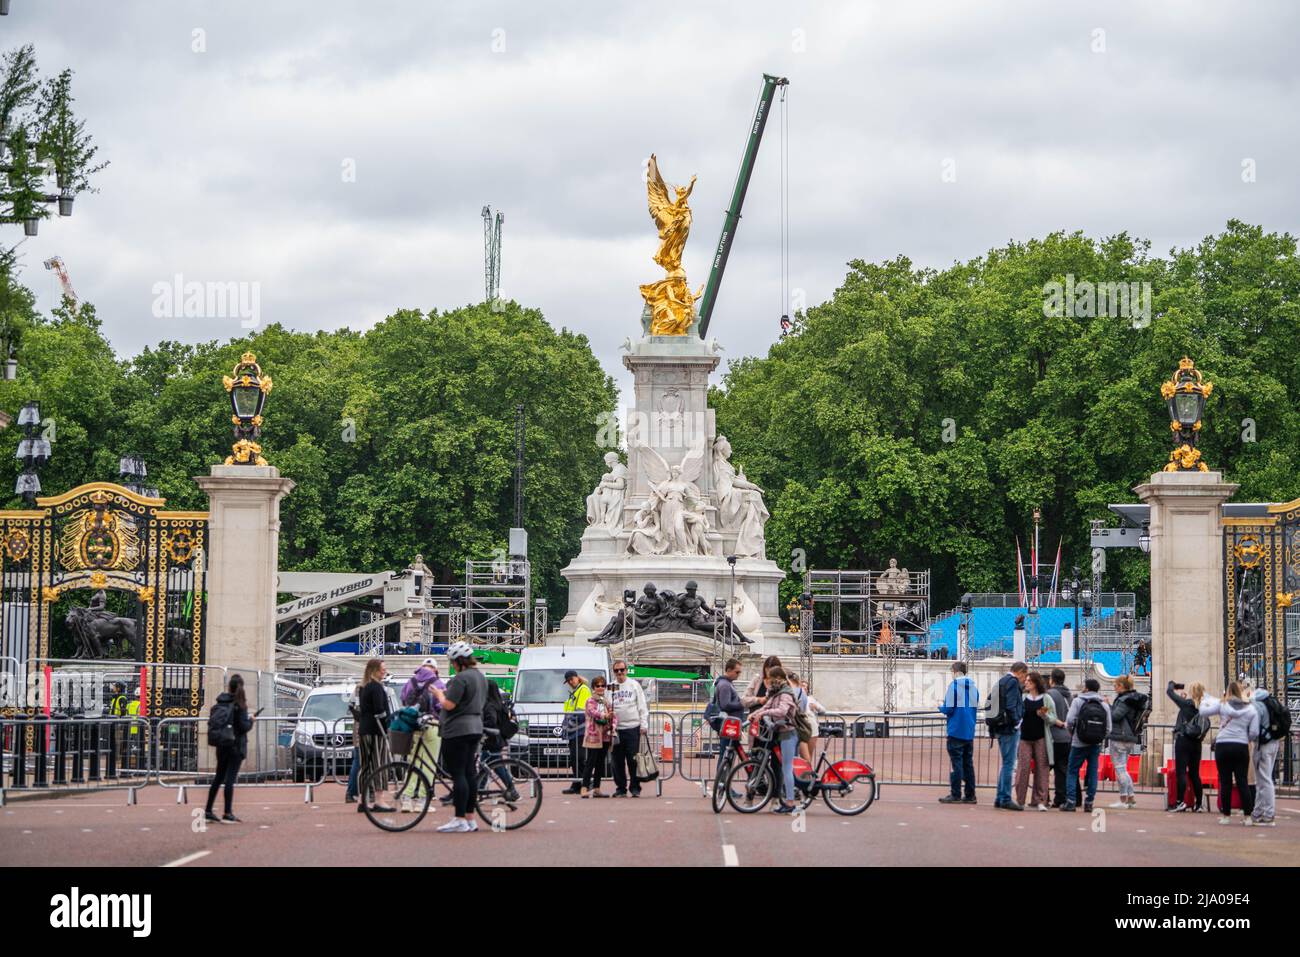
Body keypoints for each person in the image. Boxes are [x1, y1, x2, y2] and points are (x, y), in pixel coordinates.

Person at [430, 641, 488, 832]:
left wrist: (439, 694)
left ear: (459, 661)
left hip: (457, 729)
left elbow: (449, 705)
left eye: (453, 662)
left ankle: (459, 818)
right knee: (470, 773)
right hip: (475, 727)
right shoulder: (480, 677)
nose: (453, 666)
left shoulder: (461, 678)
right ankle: (470, 817)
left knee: (459, 774)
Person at [1199, 681, 1259, 825]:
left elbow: (1203, 712)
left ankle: (1226, 815)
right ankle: (1247, 816)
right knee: (1242, 781)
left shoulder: (1223, 705)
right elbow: (1254, 732)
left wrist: (1202, 702)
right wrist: (1244, 738)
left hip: (1223, 744)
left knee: (1225, 781)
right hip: (1241, 746)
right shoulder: (1251, 709)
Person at [748, 665, 800, 814]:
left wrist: (764, 714)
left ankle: (790, 802)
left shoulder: (785, 694)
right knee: (785, 766)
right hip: (781, 732)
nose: (768, 682)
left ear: (777, 679)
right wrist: (755, 714)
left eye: (770, 679)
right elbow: (767, 706)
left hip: (789, 733)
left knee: (787, 768)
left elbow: (782, 711)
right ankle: (787, 799)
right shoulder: (777, 693)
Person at [205, 673, 254, 824]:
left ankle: (208, 810)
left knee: (219, 777)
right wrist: (251, 720)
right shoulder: (240, 705)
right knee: (230, 780)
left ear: (229, 687)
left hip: (222, 744)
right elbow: (243, 727)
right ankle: (227, 812)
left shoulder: (220, 702)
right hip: (235, 745)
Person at [399, 660, 444, 813]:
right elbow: (441, 705)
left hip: (413, 725)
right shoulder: (437, 683)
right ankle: (422, 801)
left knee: (413, 762)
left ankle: (406, 798)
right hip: (431, 724)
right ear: (435, 670)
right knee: (429, 764)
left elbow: (404, 699)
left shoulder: (410, 682)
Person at [1061, 678, 1111, 813]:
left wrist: (1073, 734)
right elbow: (1108, 728)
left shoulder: (1078, 701)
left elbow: (1069, 721)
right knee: (1093, 771)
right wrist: (1099, 737)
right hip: (1095, 743)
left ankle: (1070, 801)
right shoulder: (1104, 705)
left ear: (1087, 688)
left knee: (1072, 771)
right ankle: (1089, 802)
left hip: (1078, 742)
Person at [938, 661, 979, 805]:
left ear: (955, 672)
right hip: (969, 729)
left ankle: (955, 793)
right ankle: (970, 794)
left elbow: (949, 709)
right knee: (968, 764)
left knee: (957, 764)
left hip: (956, 729)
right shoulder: (974, 688)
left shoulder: (954, 686)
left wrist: (940, 707)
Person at [355, 658, 393, 814]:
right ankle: (379, 799)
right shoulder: (377, 687)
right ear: (375, 670)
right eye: (382, 669)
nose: (384, 671)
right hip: (376, 730)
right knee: (379, 764)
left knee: (365, 766)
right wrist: (388, 722)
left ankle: (362, 799)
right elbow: (380, 710)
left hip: (364, 729)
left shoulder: (363, 687)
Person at [1014, 672, 1056, 811]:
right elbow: (1018, 715)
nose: (1026, 683)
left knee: (1042, 769)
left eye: (1029, 681)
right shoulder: (1023, 697)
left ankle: (1040, 800)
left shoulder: (1046, 698)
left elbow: (1053, 718)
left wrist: (1044, 716)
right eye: (1026, 681)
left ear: (1036, 683)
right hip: (1025, 737)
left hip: (1040, 737)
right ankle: (1020, 800)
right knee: (1023, 769)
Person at [1107, 675, 1148, 809]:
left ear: (1121, 686)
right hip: (1129, 736)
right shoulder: (1134, 699)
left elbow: (1115, 716)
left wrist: (1107, 706)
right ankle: (1130, 798)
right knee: (1123, 769)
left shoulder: (1124, 700)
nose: (1114, 687)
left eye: (1116, 685)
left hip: (1120, 736)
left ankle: (1123, 799)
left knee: (1120, 770)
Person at [609, 659, 649, 798]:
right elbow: (607, 705)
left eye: (622, 670)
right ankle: (620, 788)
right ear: (614, 672)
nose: (619, 673)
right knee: (617, 761)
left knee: (633, 760)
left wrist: (644, 724)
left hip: (632, 728)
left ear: (626, 670)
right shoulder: (611, 687)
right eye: (616, 670)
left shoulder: (634, 685)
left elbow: (642, 705)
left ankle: (635, 787)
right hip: (616, 729)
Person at [1166, 680, 1206, 812]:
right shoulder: (1204, 707)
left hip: (1183, 740)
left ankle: (1180, 801)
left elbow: (1169, 692)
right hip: (1196, 742)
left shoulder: (1187, 704)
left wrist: (1172, 684)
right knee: (1195, 774)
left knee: (1181, 772)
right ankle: (1199, 804)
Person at [992, 662, 1028, 810]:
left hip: (1000, 727)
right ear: (1020, 672)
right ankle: (1005, 797)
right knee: (1009, 764)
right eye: (1025, 675)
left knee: (1006, 763)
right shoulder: (1013, 682)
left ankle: (1000, 797)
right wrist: (1016, 721)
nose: (1025, 679)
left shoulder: (1002, 680)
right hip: (1009, 728)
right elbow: (1011, 705)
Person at [1250, 685, 1286, 827]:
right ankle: (1257, 812)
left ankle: (1269, 814)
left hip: (1262, 745)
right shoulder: (1270, 701)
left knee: (1264, 780)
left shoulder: (1257, 706)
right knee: (1263, 779)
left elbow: (1253, 727)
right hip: (1273, 742)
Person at [481, 678, 519, 803]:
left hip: (491, 739)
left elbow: (491, 721)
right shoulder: (500, 703)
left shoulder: (489, 705)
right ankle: (511, 789)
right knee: (495, 766)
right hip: (498, 739)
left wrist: (482, 726)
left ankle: (480, 790)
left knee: (487, 764)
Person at [709, 658, 746, 783]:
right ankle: (722, 784)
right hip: (728, 725)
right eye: (737, 672)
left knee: (726, 754)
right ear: (729, 670)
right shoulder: (724, 685)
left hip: (730, 724)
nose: (738, 675)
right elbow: (725, 705)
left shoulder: (725, 683)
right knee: (726, 755)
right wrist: (741, 704)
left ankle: (723, 783)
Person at [580, 675, 617, 797]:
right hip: (593, 735)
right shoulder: (590, 700)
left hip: (605, 735)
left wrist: (613, 726)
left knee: (600, 763)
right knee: (591, 762)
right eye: (598, 686)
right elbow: (593, 712)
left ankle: (597, 788)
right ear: (593, 687)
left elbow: (614, 716)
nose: (600, 688)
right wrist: (605, 716)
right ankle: (584, 788)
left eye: (603, 685)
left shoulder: (606, 701)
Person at [560, 671, 591, 795]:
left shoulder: (583, 690)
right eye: (568, 681)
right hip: (574, 730)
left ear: (577, 678)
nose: (570, 682)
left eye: (571, 679)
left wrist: (569, 725)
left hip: (580, 729)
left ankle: (585, 783)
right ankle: (578, 783)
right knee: (575, 758)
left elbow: (580, 712)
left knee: (579, 757)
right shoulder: (575, 691)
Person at [1046, 669, 1073, 807]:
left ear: (1052, 679)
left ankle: (1044, 797)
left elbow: (1046, 714)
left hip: (1053, 736)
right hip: (1067, 736)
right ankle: (1061, 797)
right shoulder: (1069, 695)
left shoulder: (1050, 694)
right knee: (1062, 769)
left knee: (1045, 768)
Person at [788, 672, 827, 762]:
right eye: (802, 686)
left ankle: (808, 774)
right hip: (801, 728)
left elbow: (823, 709)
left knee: (809, 755)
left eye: (806, 687)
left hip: (811, 727)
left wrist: (816, 707)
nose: (804, 688)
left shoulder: (810, 698)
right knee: (804, 757)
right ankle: (806, 774)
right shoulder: (796, 695)